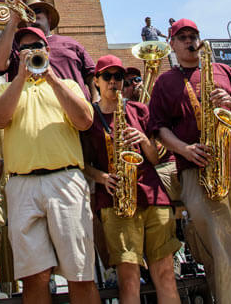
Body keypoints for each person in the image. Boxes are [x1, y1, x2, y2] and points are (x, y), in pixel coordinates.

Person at [148, 18, 231, 303]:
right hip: (199, 174)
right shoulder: (165, 82)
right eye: (182, 37)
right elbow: (159, 129)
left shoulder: (224, 70)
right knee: (222, 259)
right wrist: (184, 149)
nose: (189, 41)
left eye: (193, 36)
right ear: (172, 44)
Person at [0, 26, 100, 304]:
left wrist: (50, 77)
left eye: (36, 46)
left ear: (47, 50)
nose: (31, 51)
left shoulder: (69, 85)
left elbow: (85, 121)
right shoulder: (5, 88)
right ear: (18, 55)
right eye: (24, 48)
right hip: (22, 185)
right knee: (33, 277)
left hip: (66, 182)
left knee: (79, 272)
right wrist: (20, 78)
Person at [83, 56, 180, 303]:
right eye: (107, 77)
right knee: (129, 279)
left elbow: (156, 158)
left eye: (118, 77)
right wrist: (102, 177)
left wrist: (143, 140)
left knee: (166, 274)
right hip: (116, 202)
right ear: (96, 81)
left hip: (152, 196)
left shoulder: (139, 110)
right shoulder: (88, 117)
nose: (113, 82)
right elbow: (82, 163)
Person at [0, 0, 98, 101]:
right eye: (27, 12)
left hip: (75, 107)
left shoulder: (71, 44)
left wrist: (96, 100)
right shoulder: (16, 46)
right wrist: (13, 21)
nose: (32, 15)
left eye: (37, 11)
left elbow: (92, 75)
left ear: (48, 18)